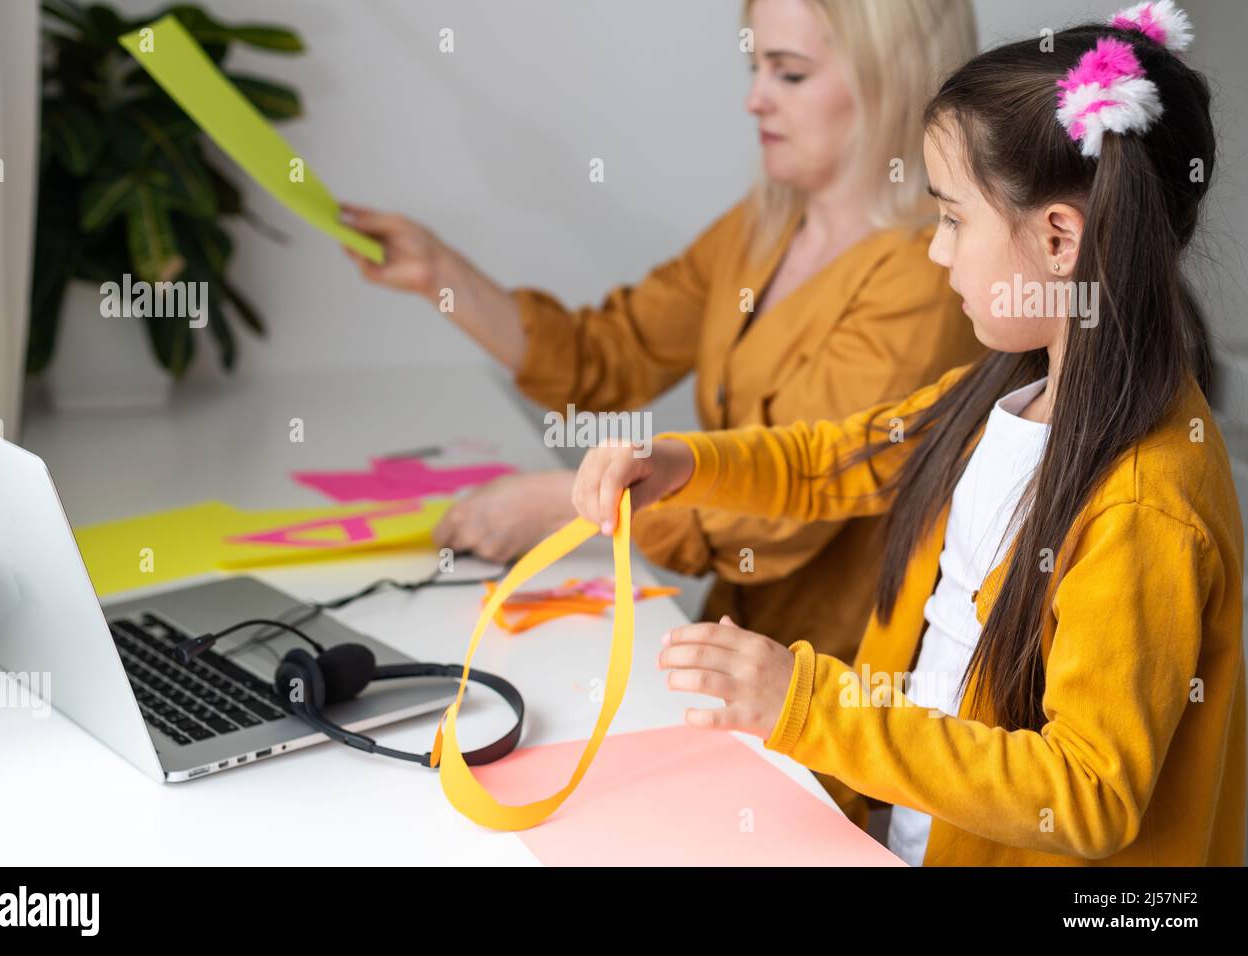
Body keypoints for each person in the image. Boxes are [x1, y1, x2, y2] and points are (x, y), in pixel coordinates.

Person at [571, 1, 1245, 865]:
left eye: (953, 218)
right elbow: (833, 460)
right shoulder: (1009, 391)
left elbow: (1087, 794)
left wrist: (807, 706)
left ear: (1058, 239)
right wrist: (681, 463)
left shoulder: (1145, 507)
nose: (936, 251)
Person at [342, 0, 982, 663]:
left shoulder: (926, 276)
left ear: (891, 80)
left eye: (789, 74)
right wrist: (439, 274)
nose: (755, 100)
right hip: (735, 648)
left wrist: (566, 502)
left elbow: (788, 504)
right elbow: (608, 357)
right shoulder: (762, 226)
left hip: (841, 682)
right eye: (755, 67)